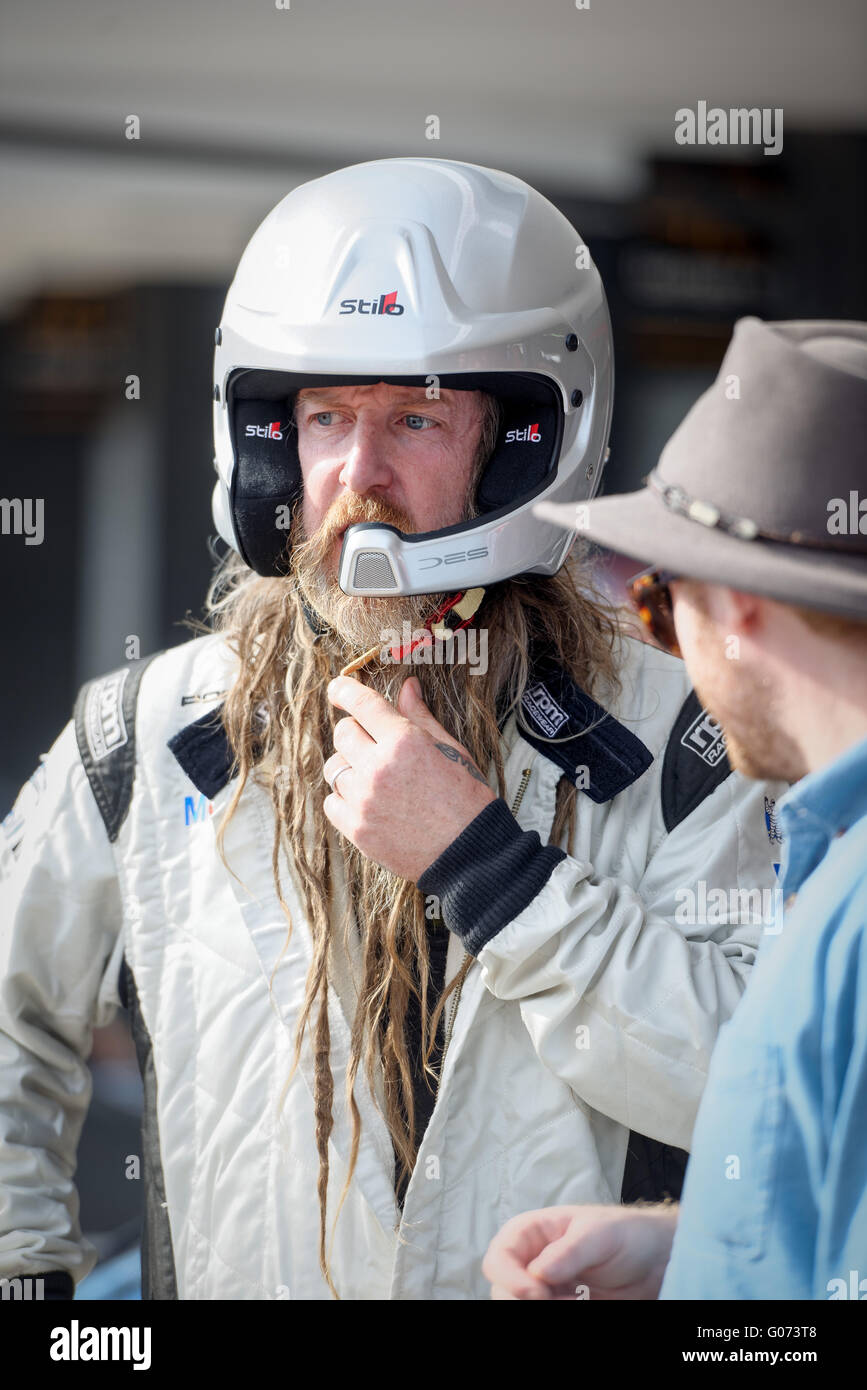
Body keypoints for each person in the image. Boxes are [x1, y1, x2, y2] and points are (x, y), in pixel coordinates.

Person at [0, 160, 780, 1302]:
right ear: (269, 443)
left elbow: (766, 1093)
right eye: (325, 418)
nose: (359, 475)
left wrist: (494, 871)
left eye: (415, 417)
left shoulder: (680, 743)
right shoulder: (144, 731)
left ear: (519, 443)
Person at [481, 316, 867, 1300]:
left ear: (735, 605)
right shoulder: (831, 854)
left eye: (660, 605)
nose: (659, 650)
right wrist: (688, 1248)